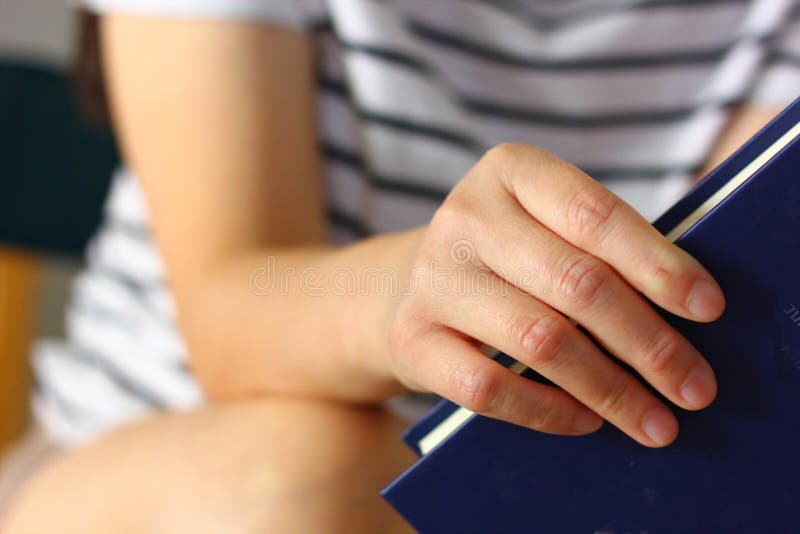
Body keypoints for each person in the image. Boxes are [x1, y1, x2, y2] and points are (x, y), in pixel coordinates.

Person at [2, 0, 798, 531]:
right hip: (149, 452)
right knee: (316, 484)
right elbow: (230, 317)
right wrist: (407, 294)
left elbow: (736, 343)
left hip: (549, 495)